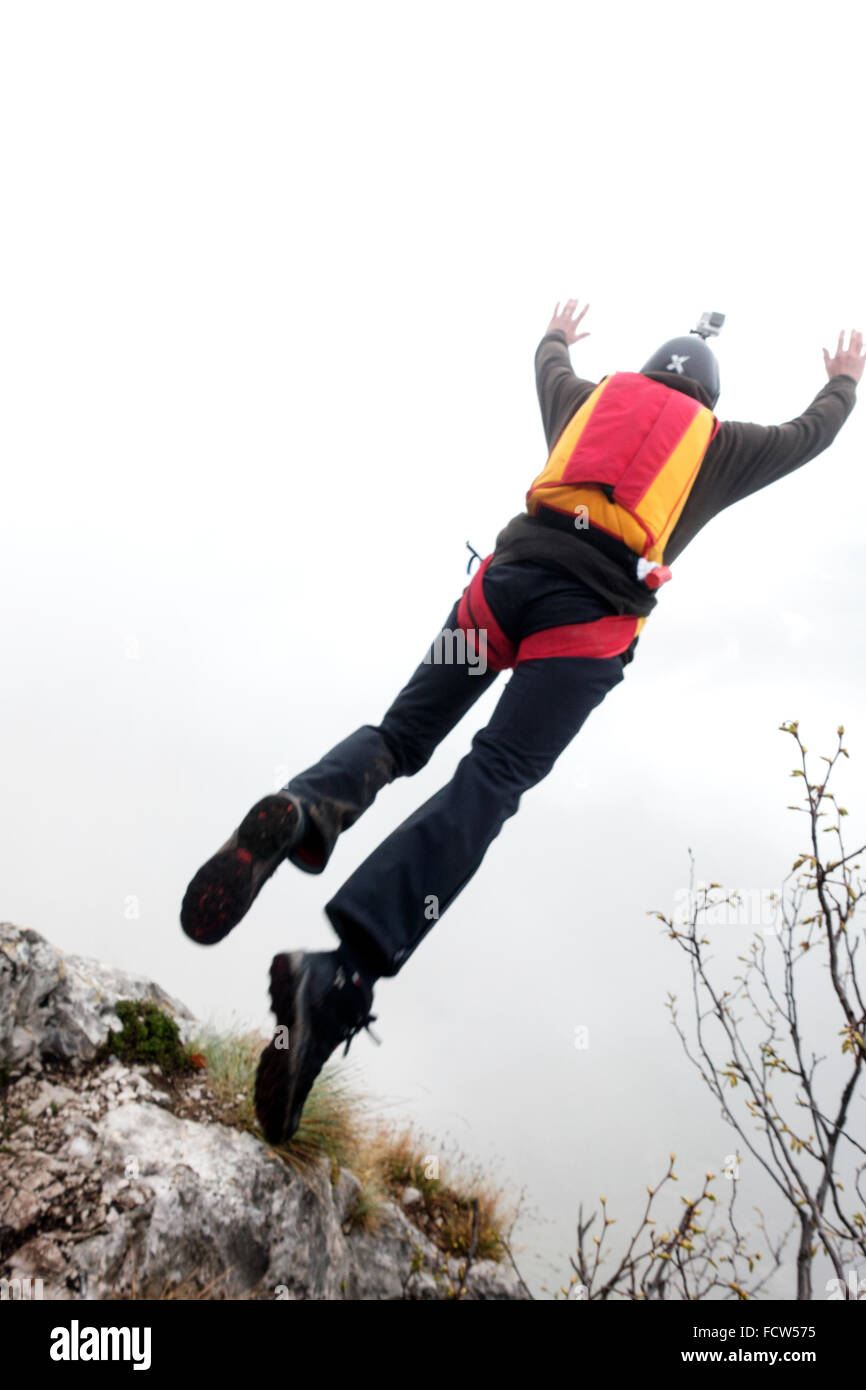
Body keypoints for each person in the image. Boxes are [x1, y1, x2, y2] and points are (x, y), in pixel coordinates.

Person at [180, 301, 864, 1146]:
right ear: (709, 403)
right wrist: (843, 383)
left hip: (501, 590)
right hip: (585, 627)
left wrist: (556, 338)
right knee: (491, 778)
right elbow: (811, 435)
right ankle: (339, 974)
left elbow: (546, 364)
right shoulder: (719, 447)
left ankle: (307, 807)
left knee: (399, 738)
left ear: (645, 374)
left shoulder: (585, 401)